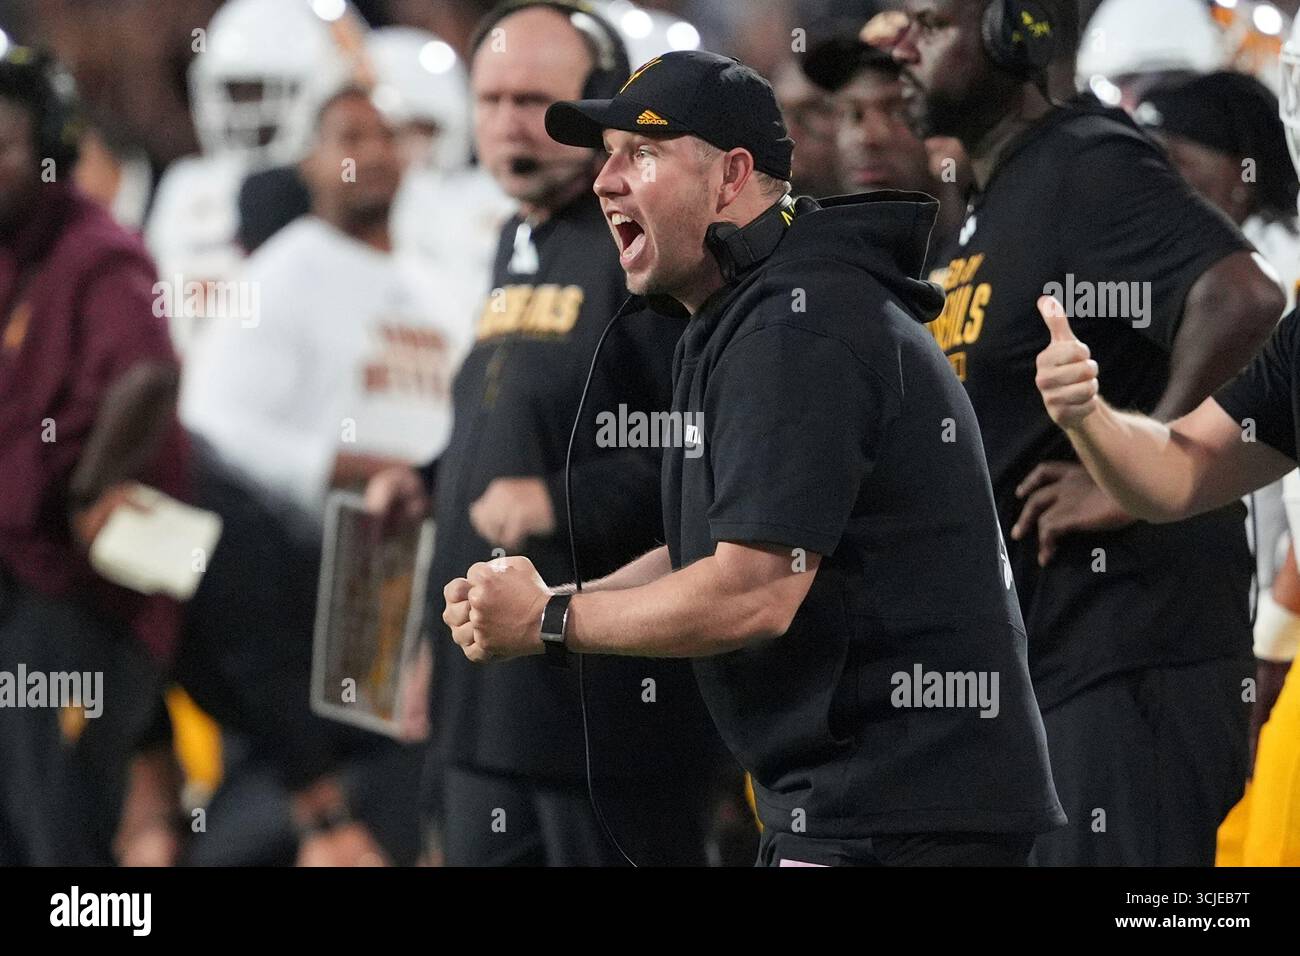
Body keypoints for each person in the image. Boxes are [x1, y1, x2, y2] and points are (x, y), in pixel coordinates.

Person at [424, 47, 1066, 867]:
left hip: (900, 813)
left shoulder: (796, 326)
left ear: (731, 176)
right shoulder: (746, 312)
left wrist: (550, 621)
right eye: (607, 154)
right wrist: (554, 597)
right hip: (859, 806)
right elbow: (708, 553)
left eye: (642, 154)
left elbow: (754, 593)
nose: (604, 180)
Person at [892, 0, 1286, 865]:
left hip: (1129, 655)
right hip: (1052, 660)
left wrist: (1138, 470)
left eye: (928, 22)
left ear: (1013, 31)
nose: (899, 42)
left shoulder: (1086, 162)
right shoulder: (998, 194)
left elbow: (1244, 299)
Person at [367, 0, 722, 867]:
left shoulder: (651, 250)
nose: (505, 125)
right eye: (489, 102)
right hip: (487, 704)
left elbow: (713, 459)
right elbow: (519, 425)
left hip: (601, 714)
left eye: (532, 100)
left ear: (599, 103)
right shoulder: (514, 244)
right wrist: (432, 477)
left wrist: (564, 501)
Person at [178, 86, 457, 867]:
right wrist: (353, 465)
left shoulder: (437, 285)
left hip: (436, 574)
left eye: (384, 134)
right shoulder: (280, 275)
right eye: (347, 135)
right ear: (307, 156)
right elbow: (211, 426)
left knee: (414, 808)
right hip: (334, 573)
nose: (370, 152)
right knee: (317, 808)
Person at [0, 47, 188, 865]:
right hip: (27, 578)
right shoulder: (15, 249)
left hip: (84, 593)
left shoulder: (94, 247)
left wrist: (83, 490)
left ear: (51, 142)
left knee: (63, 826)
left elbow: (148, 374)